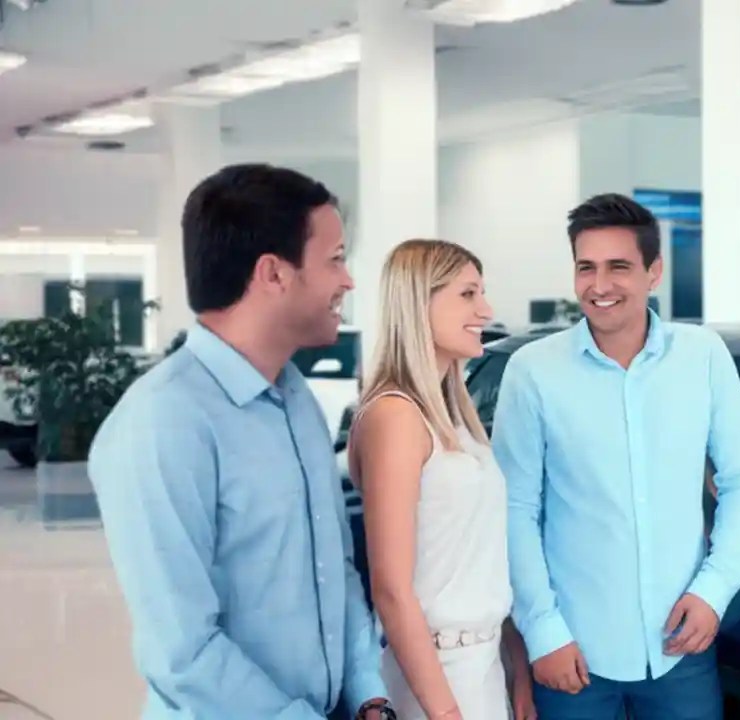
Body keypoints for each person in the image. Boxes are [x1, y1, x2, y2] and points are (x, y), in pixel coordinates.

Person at [88, 164, 395, 719]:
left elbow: (337, 571)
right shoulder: (162, 423)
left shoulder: (296, 399)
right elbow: (181, 651)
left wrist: (368, 691)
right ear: (273, 273)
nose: (347, 281)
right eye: (335, 259)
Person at [492, 193, 740, 719]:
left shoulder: (703, 356)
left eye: (618, 266)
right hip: (570, 652)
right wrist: (542, 629)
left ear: (654, 271)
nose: (599, 286)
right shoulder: (533, 371)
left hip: (680, 648)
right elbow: (515, 508)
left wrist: (714, 590)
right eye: (586, 268)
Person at [345, 239, 535, 720]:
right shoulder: (395, 416)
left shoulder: (456, 417)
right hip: (434, 680)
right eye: (468, 294)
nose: (486, 310)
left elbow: (481, 557)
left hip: (484, 668)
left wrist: (517, 671)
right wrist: (446, 714)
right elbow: (391, 590)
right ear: (417, 302)